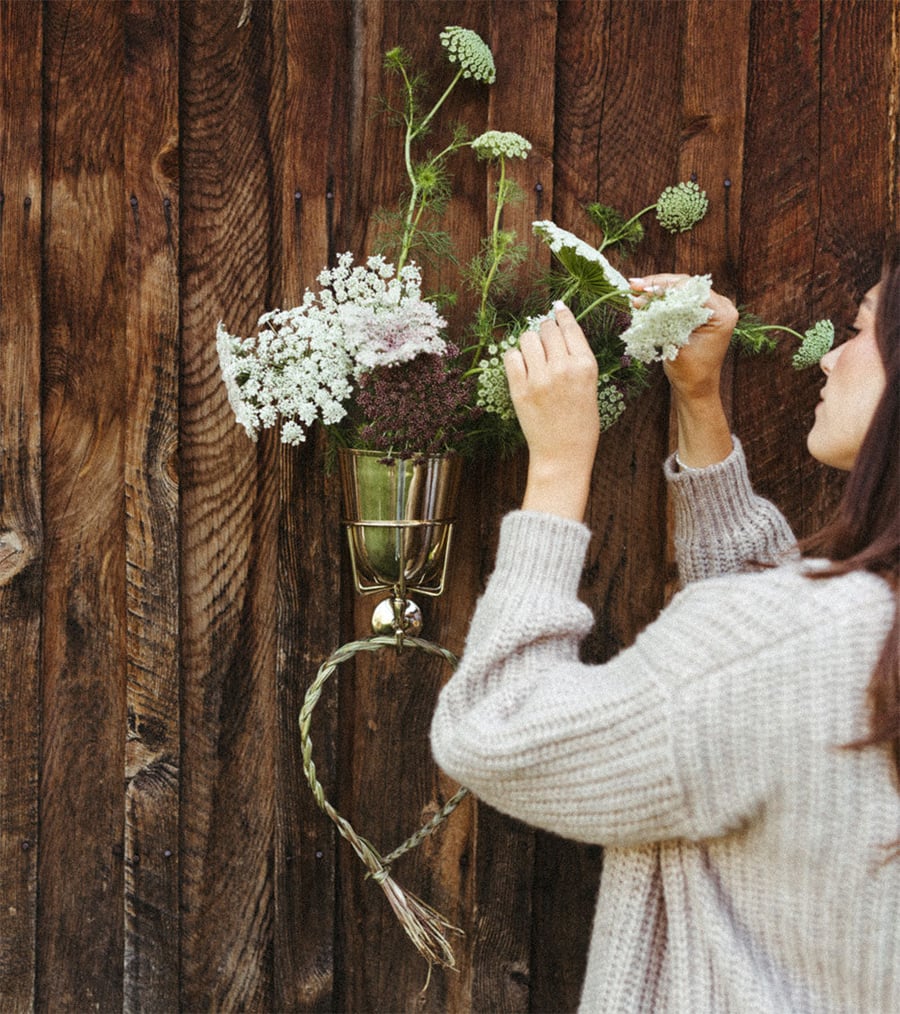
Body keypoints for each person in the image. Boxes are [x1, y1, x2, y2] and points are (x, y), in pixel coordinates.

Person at [430, 249, 900, 1012]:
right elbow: (749, 685)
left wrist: (557, 464)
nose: (833, 358)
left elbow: (494, 728)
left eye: (861, 328)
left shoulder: (797, 643)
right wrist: (699, 396)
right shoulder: (836, 634)